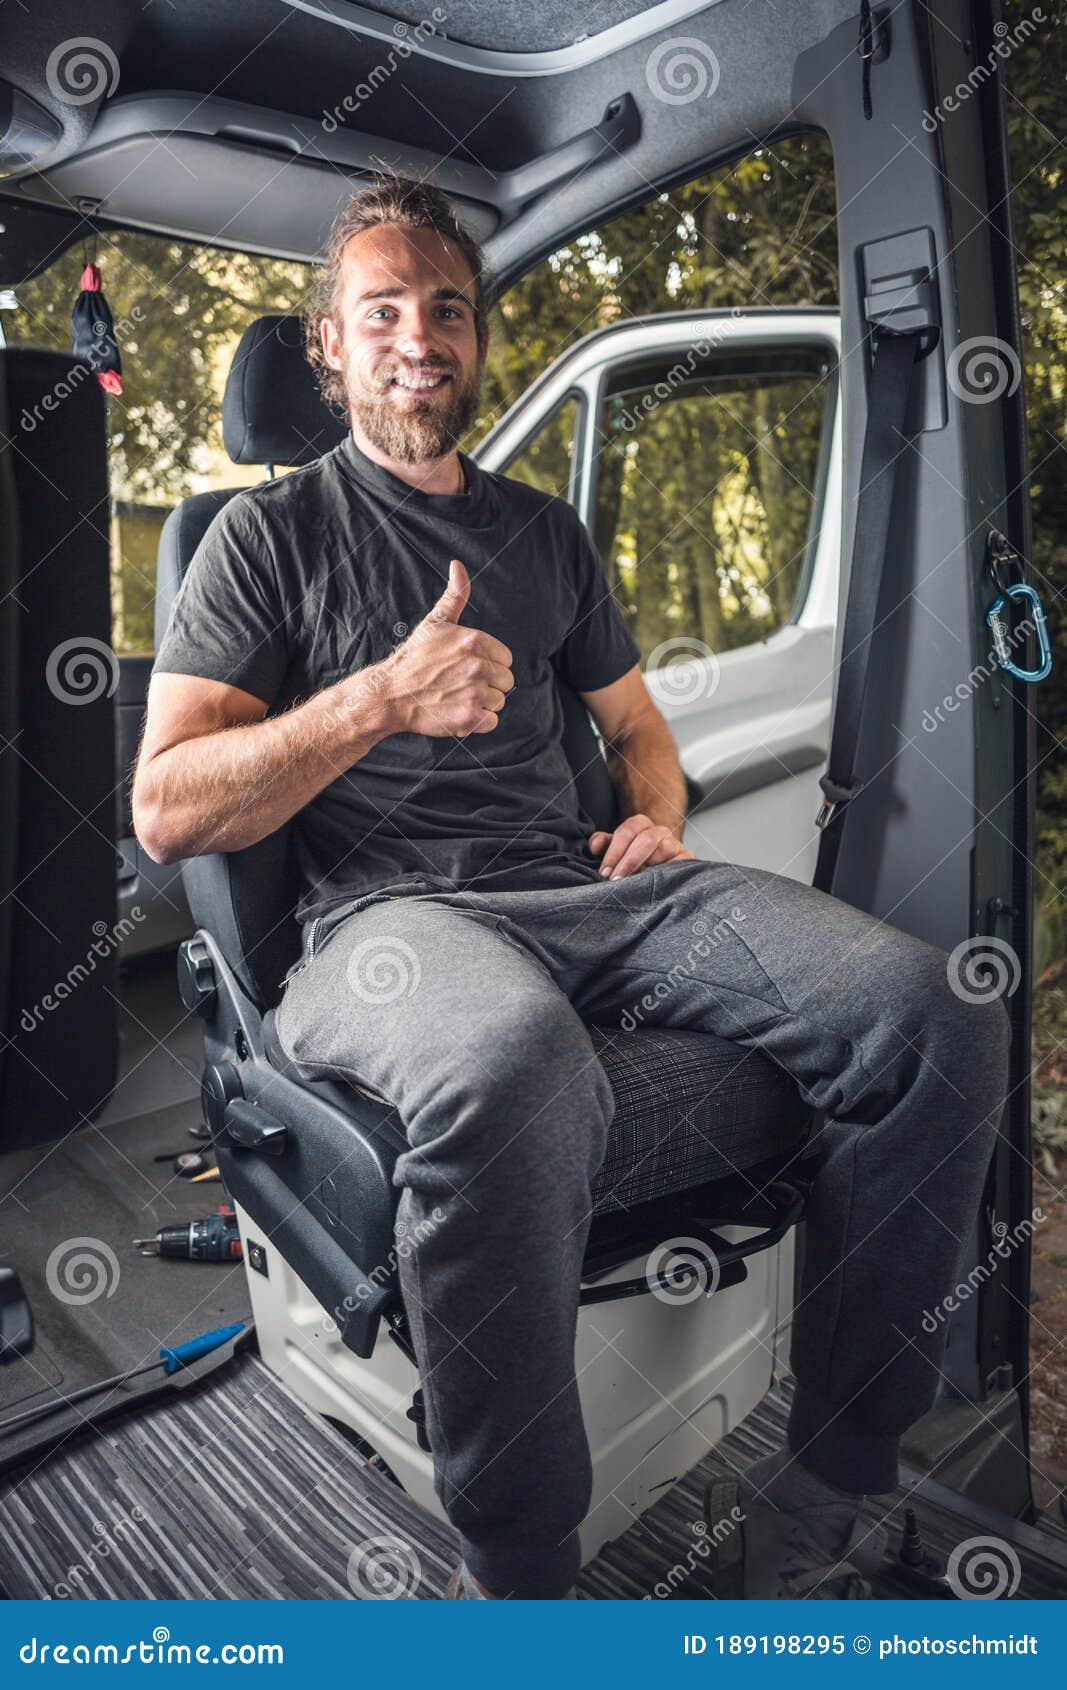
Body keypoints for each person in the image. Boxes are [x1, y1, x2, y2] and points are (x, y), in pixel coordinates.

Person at [133, 172, 1012, 1601]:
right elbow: (166, 808)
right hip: (388, 927)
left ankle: (835, 1477)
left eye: (448, 310)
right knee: (520, 1060)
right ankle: (525, 1571)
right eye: (385, 312)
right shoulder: (263, 541)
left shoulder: (546, 534)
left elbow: (638, 730)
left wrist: (655, 816)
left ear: (476, 338)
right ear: (329, 346)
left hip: (596, 897)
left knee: (940, 1011)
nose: (421, 337)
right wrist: (375, 700)